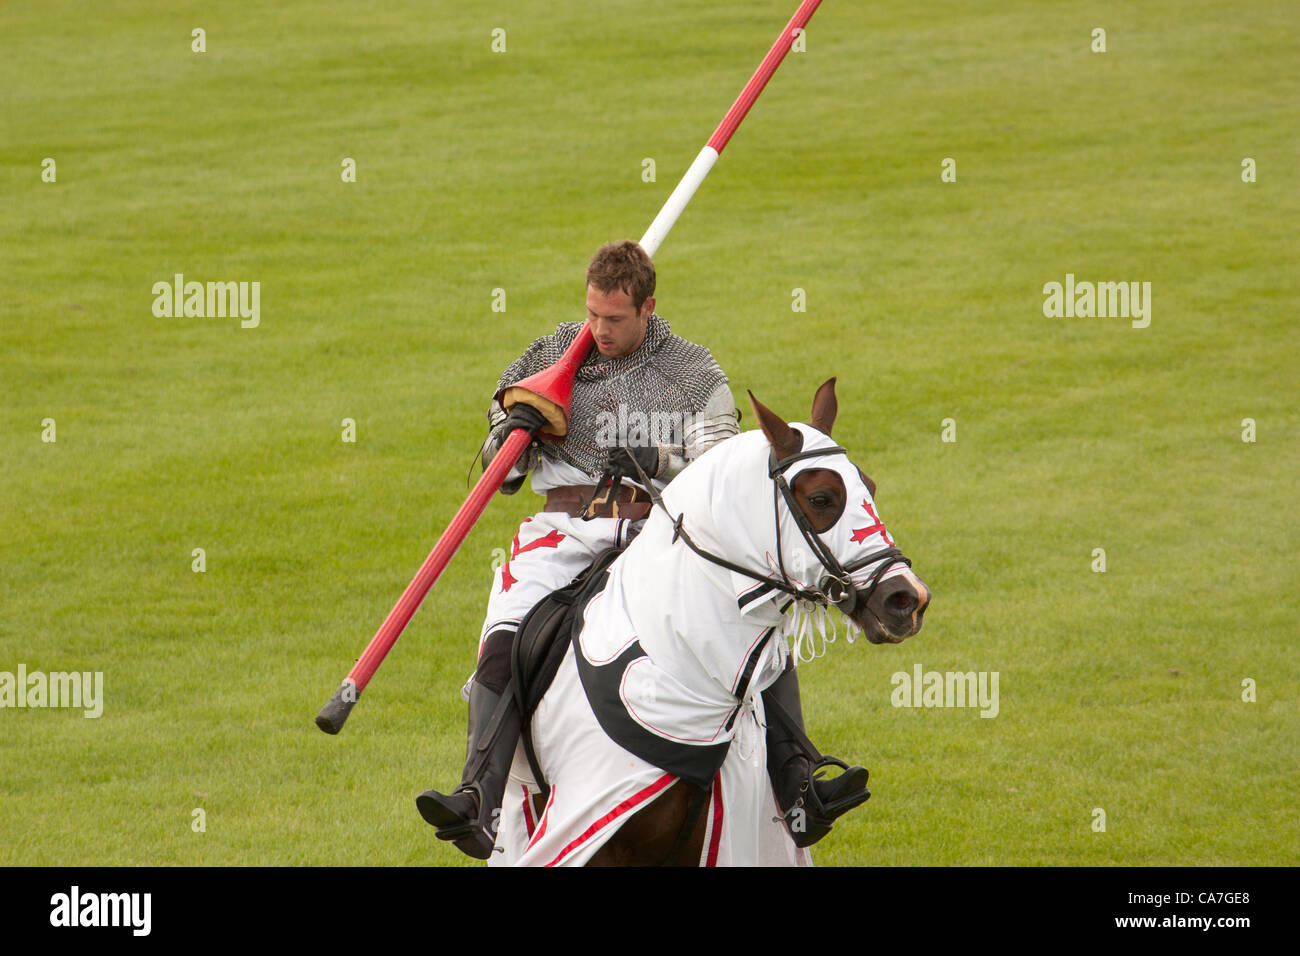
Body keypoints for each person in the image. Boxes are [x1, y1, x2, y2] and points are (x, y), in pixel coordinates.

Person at [416, 240, 867, 860]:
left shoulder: (692, 368)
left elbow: (720, 466)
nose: (599, 330)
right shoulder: (554, 354)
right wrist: (513, 436)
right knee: (507, 629)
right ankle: (480, 795)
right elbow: (503, 474)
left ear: (648, 307)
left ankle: (797, 785)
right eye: (592, 314)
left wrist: (663, 460)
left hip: (664, 533)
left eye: (616, 318)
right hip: (565, 532)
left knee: (757, 625)